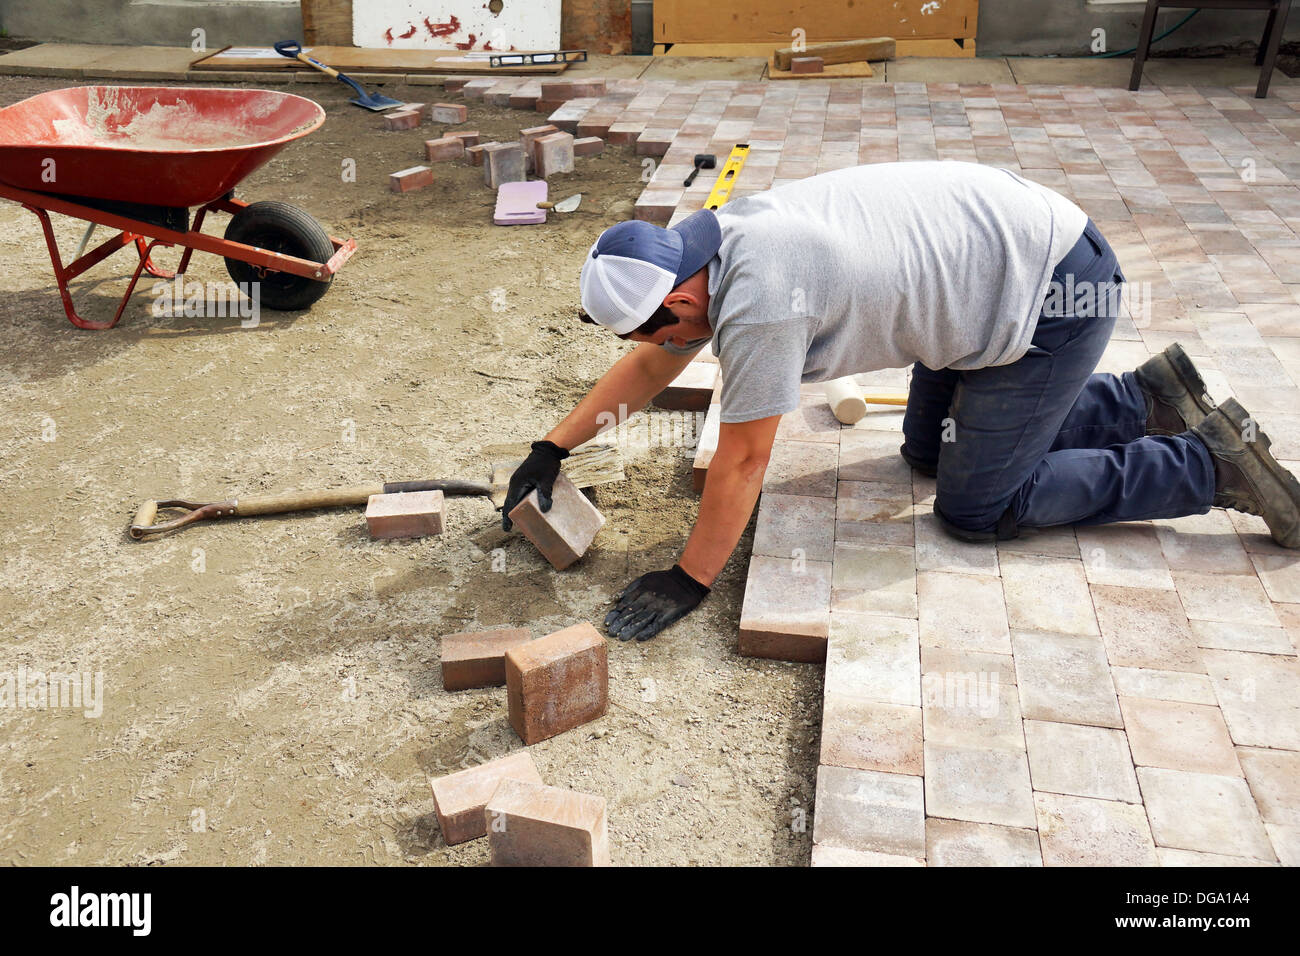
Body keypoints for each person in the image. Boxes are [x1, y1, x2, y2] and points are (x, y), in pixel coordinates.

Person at [502, 161, 1300, 642]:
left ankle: (1204, 463)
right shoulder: (708, 243)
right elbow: (652, 366)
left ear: (676, 298)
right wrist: (554, 448)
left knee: (978, 507)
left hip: (1053, 287)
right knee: (928, 452)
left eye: (656, 330)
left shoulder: (764, 303)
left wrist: (691, 577)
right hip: (987, 277)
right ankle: (1141, 398)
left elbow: (744, 456)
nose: (662, 346)